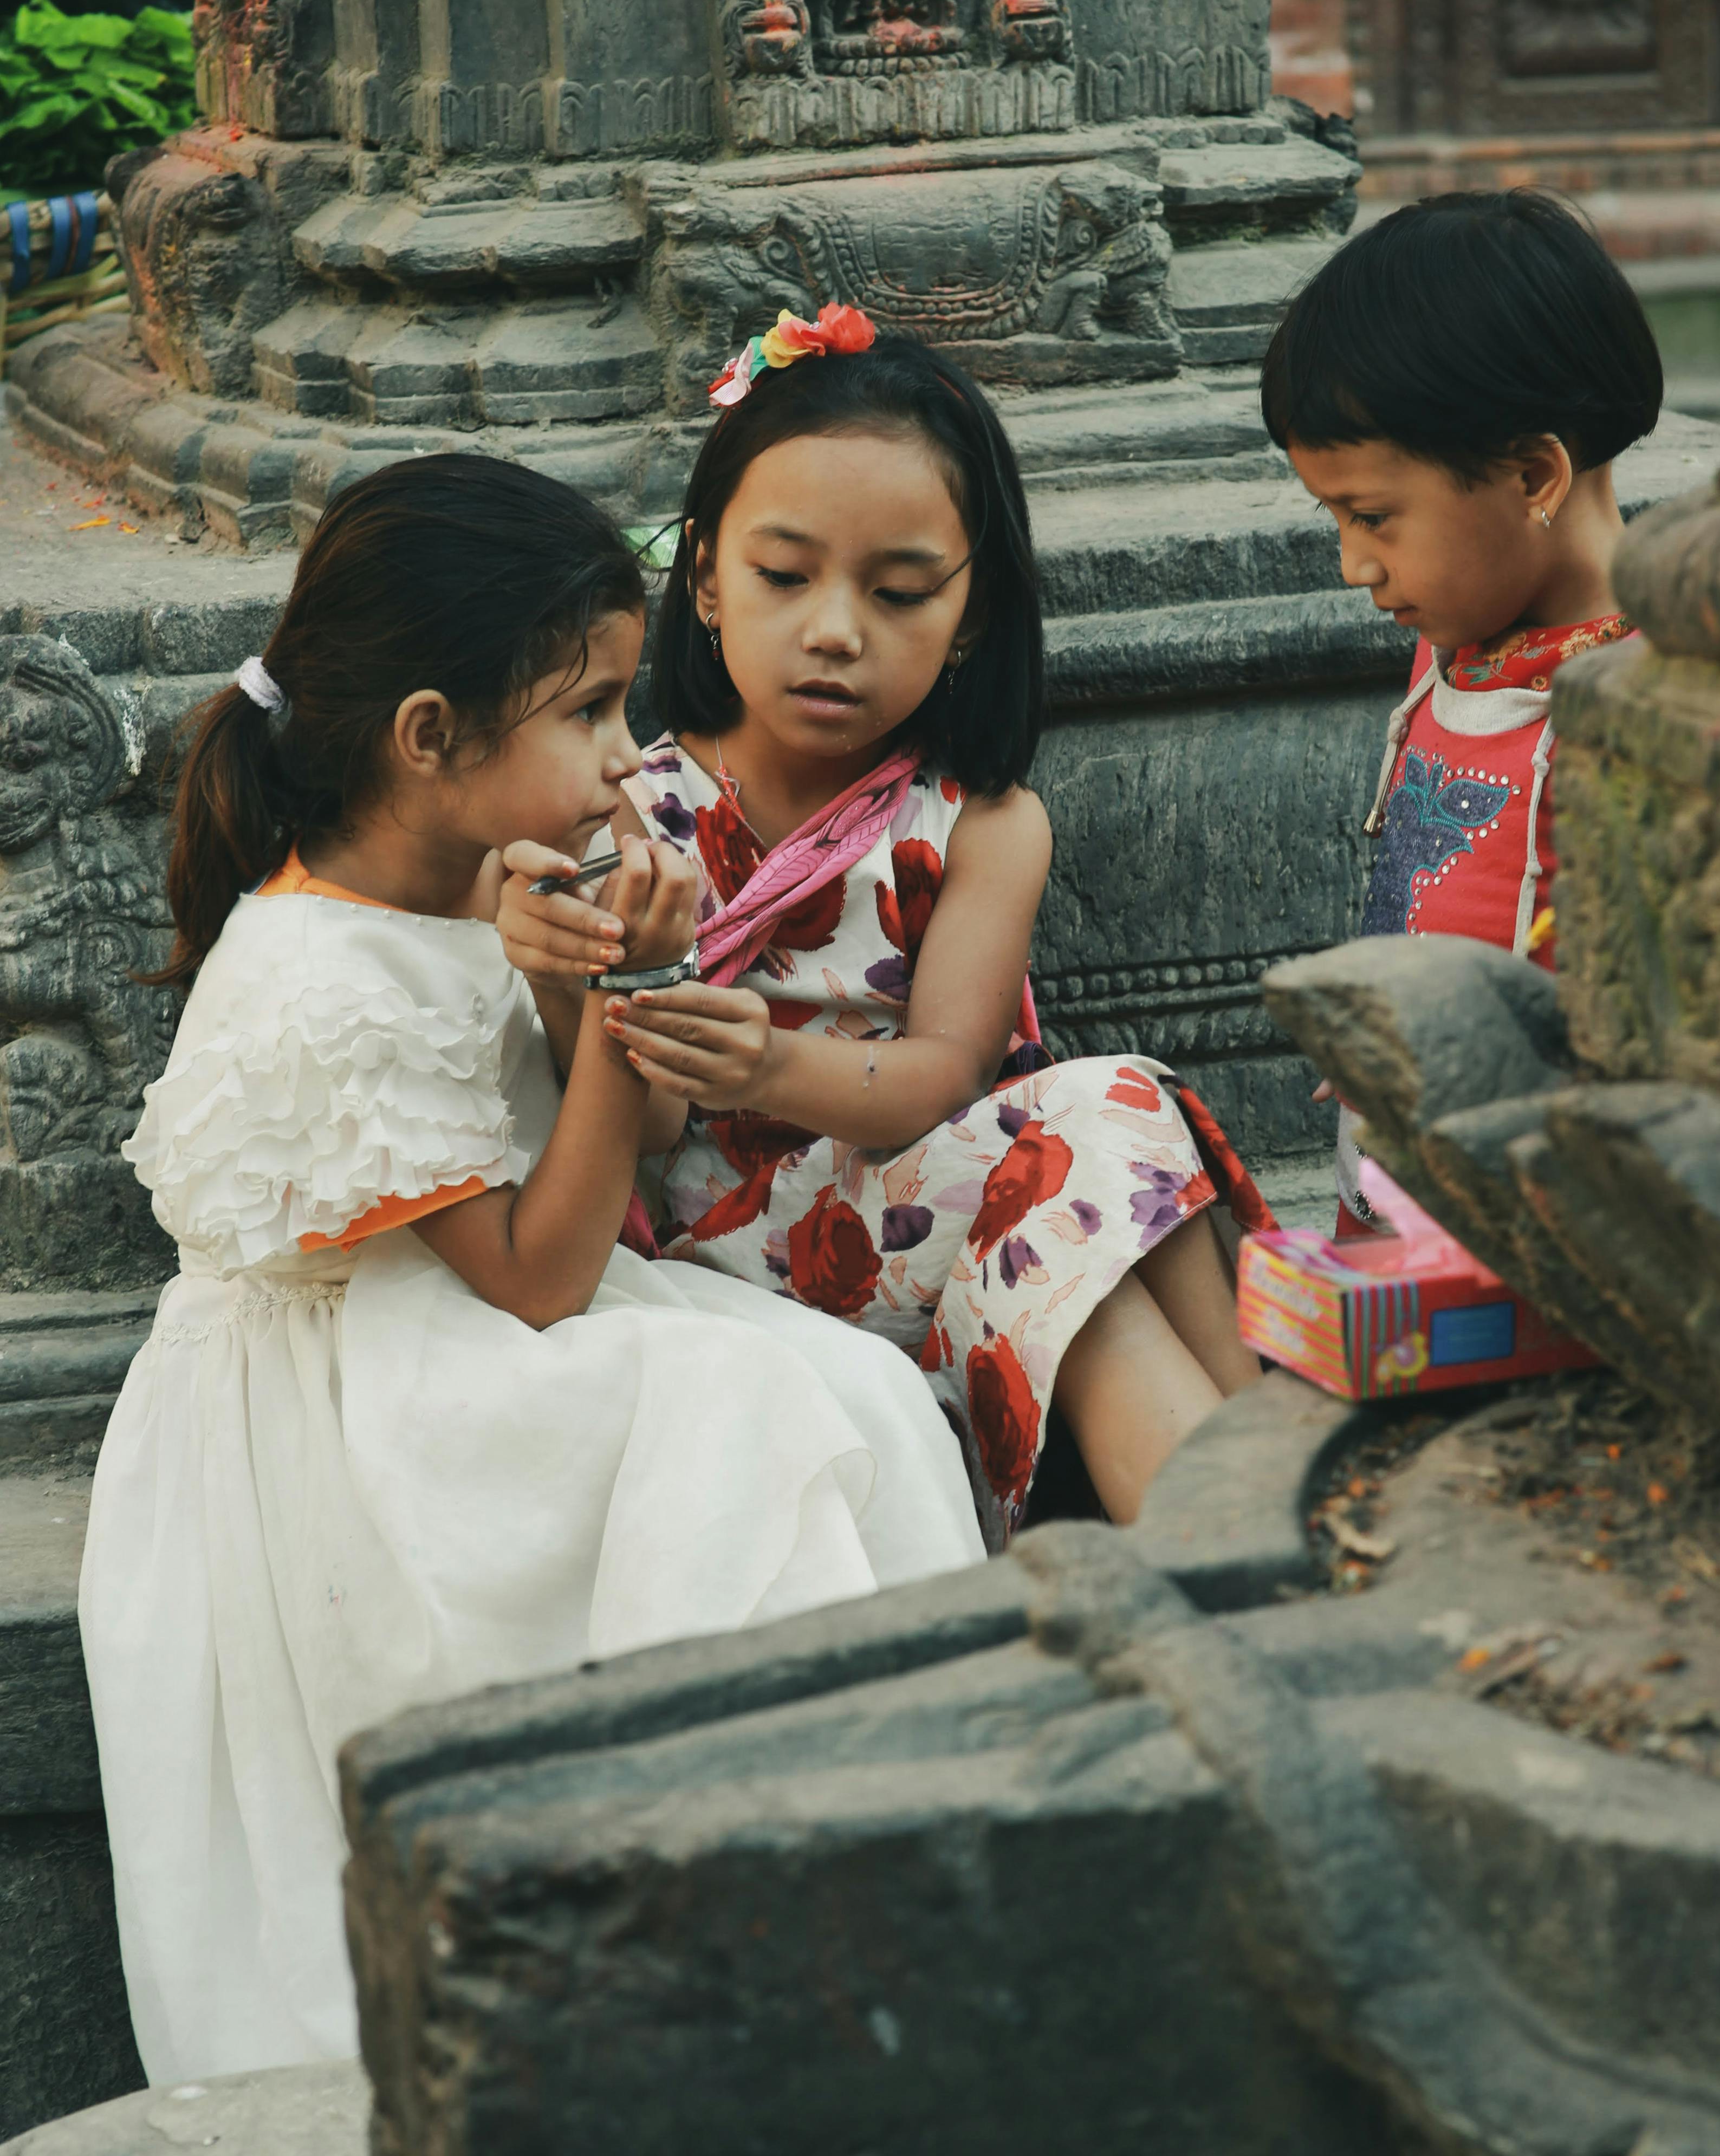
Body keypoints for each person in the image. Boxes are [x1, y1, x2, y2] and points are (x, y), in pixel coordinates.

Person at [79, 453, 984, 2088]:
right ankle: (747, 1952)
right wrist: (619, 1006)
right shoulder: (313, 974)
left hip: (467, 1332)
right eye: (589, 711)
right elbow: (543, 1274)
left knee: (838, 1383)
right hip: (355, 1411)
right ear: (430, 736)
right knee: (730, 1415)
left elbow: (599, 1171)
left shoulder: (469, 882)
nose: (630, 755)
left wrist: (603, 979)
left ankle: (869, 1904)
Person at [498, 306, 1269, 1549]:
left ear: (968, 614)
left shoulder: (978, 822)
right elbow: (640, 1127)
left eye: (899, 589)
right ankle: (1291, 1495)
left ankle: (1255, 1529)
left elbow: (945, 1074)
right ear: (701, 576)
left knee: (1098, 1232)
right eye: (783, 577)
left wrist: (774, 1063)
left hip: (925, 1186)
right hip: (732, 1252)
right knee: (1114, 1114)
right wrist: (567, 975)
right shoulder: (630, 807)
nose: (836, 629)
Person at [1258, 189, 1665, 1231]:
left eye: (1373, 515)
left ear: (1533, 473)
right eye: (1336, 517)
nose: (1354, 564)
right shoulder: (1447, 657)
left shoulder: (1660, 702)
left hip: (1561, 1192)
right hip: (1391, 1152)